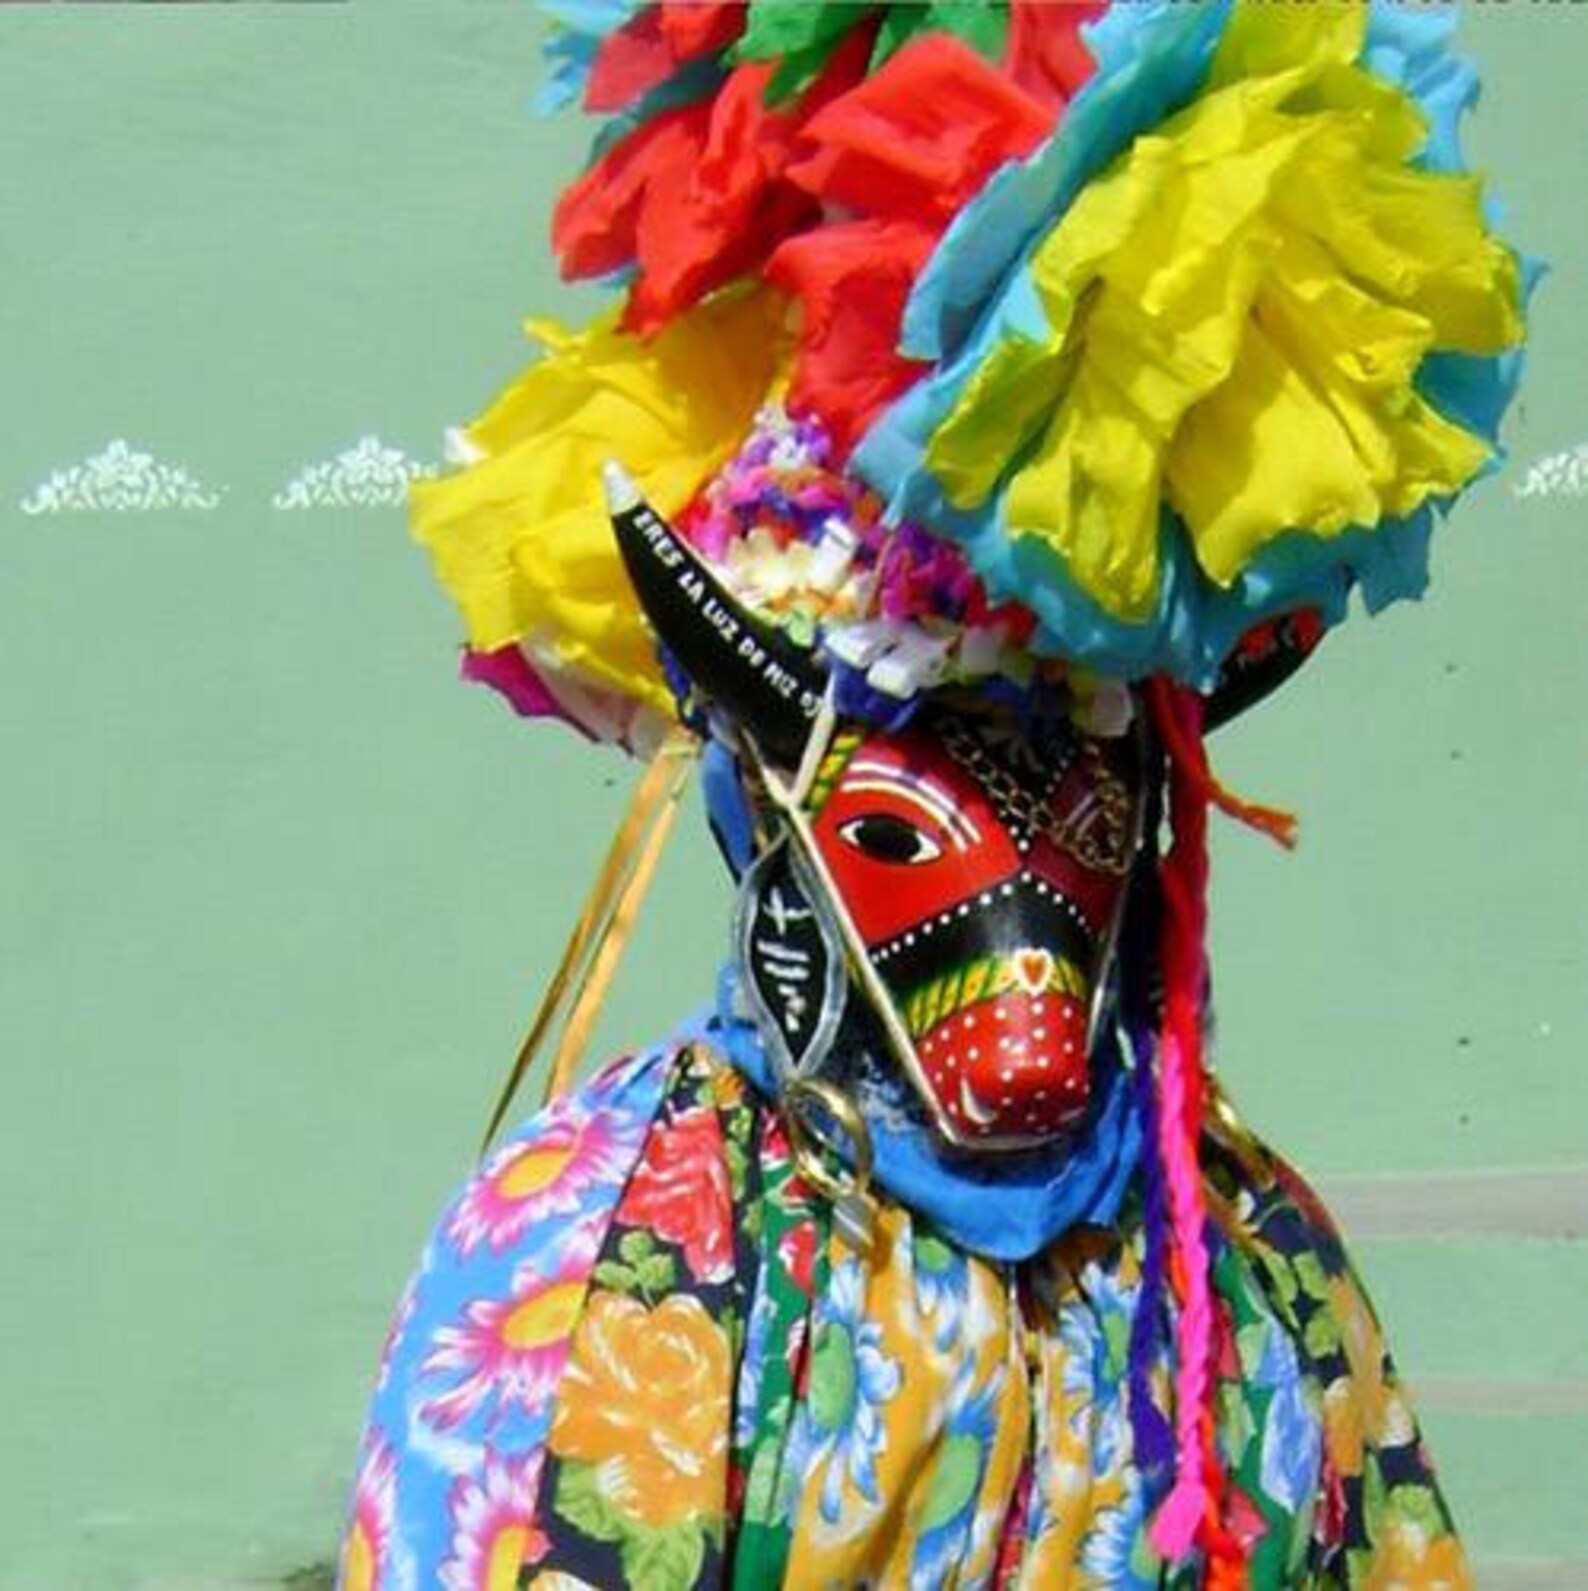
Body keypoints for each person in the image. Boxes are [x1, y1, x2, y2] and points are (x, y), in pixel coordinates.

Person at [341, 4, 1530, 1585]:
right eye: (910, 818)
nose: (1027, 955)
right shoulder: (613, 1255)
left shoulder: (1235, 1261)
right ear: (771, 812)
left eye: (1088, 823)